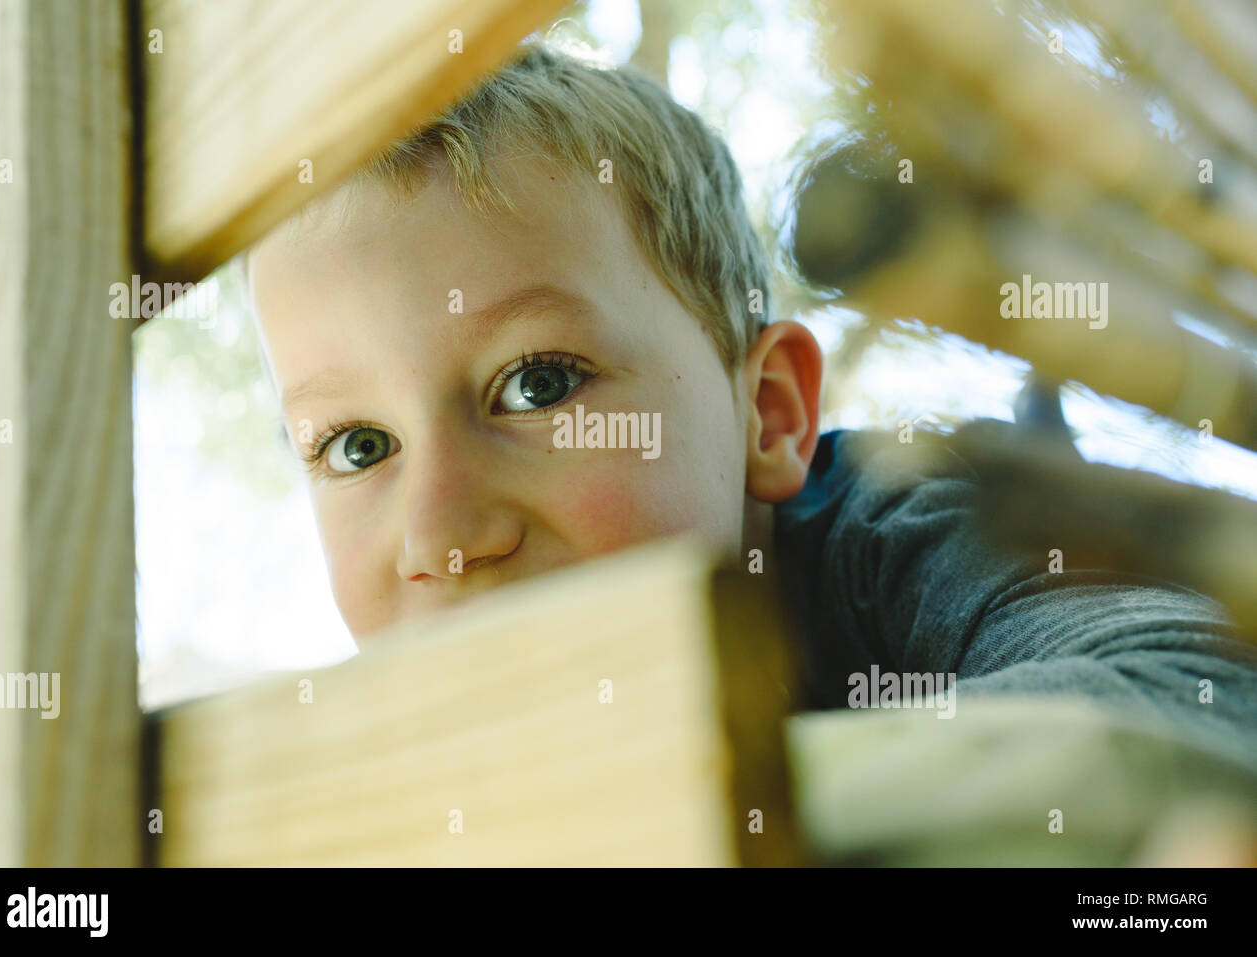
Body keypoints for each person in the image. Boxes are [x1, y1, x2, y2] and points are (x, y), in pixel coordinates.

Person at [246, 44, 1257, 771]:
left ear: (766, 416)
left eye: (536, 385)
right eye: (356, 444)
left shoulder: (908, 539)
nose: (440, 531)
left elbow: (1195, 696)